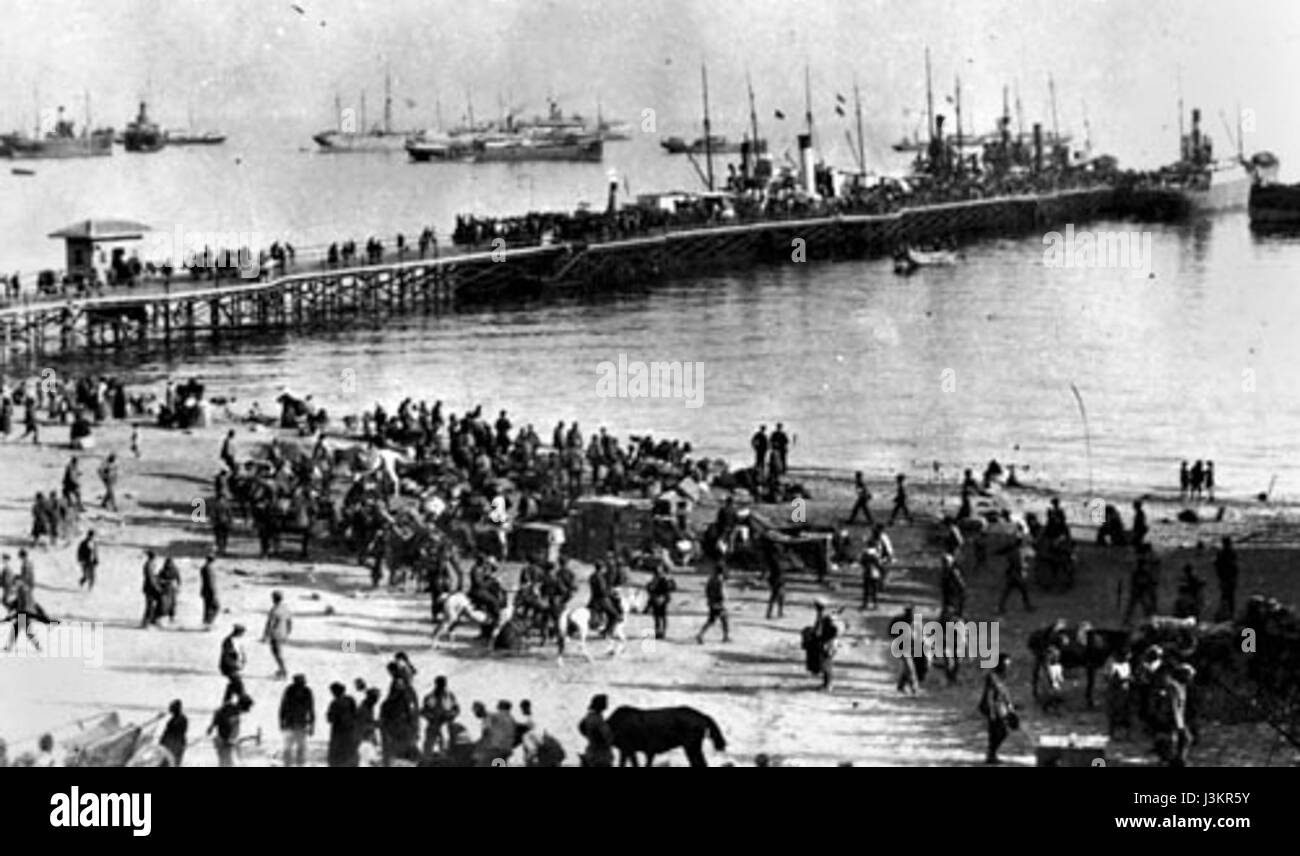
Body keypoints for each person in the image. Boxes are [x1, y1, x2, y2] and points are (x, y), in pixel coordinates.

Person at [979, 655, 1016, 764]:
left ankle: (992, 754)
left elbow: (1004, 692)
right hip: (992, 707)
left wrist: (1010, 705)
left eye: (1008, 664)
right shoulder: (992, 677)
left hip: (1000, 707)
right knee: (998, 731)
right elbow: (989, 695)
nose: (1008, 667)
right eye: (1006, 664)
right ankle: (991, 755)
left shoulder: (1001, 676)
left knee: (1001, 731)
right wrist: (992, 712)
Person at [805, 598, 843, 691]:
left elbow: (818, 631)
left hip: (827, 645)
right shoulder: (828, 616)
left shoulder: (822, 617)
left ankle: (828, 685)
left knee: (826, 665)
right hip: (832, 644)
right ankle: (827, 684)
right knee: (828, 664)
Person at [279, 674, 315, 767]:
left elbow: (311, 709)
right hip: (290, 723)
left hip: (301, 723)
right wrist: (281, 721)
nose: (300, 685)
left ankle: (300, 764)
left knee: (300, 747)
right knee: (288, 747)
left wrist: (312, 725)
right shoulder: (289, 691)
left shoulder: (307, 692)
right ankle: (287, 764)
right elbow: (283, 706)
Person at [208, 692, 252, 767]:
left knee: (226, 763)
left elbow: (218, 714)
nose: (248, 711)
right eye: (247, 708)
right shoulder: (231, 712)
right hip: (224, 741)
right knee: (226, 763)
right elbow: (219, 715)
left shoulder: (232, 710)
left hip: (226, 741)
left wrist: (212, 726)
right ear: (242, 706)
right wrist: (212, 726)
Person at [421, 676, 460, 757]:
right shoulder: (430, 697)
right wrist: (429, 716)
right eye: (439, 685)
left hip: (446, 724)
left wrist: (451, 715)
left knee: (445, 744)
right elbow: (423, 710)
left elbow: (456, 709)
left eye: (442, 685)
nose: (441, 687)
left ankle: (445, 759)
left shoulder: (449, 696)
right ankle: (427, 760)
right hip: (433, 724)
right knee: (429, 745)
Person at [996, 532, 1033, 614]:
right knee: (1021, 590)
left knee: (1008, 591)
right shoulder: (1015, 552)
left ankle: (1000, 607)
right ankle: (1027, 606)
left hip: (1012, 574)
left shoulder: (1012, 551)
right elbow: (1017, 564)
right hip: (1015, 574)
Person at [1124, 543, 1159, 624]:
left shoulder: (1146, 559)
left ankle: (1150, 618)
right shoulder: (1140, 559)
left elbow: (1153, 565)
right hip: (1140, 583)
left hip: (1144, 582)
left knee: (1145, 602)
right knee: (1138, 602)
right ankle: (1127, 620)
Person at [326, 681, 360, 767]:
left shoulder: (335, 703)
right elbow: (355, 715)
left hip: (339, 733)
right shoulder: (350, 700)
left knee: (337, 755)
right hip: (349, 731)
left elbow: (330, 718)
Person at [578, 694, 614, 767]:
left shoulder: (588, 717)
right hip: (600, 757)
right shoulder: (598, 720)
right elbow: (605, 736)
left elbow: (581, 728)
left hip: (591, 753)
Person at [695, 566, 730, 643]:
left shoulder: (711, 579)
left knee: (711, 620)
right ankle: (725, 637)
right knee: (724, 619)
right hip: (719, 603)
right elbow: (721, 592)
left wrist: (709, 599)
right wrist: (723, 600)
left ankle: (700, 634)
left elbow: (707, 590)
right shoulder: (720, 580)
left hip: (711, 602)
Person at [262, 590, 292, 679]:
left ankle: (283, 671)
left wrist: (265, 635)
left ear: (274, 599)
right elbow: (289, 621)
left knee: (276, 653)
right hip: (283, 633)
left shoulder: (274, 610)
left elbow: (270, 624)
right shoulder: (286, 608)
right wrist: (288, 632)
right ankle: (282, 669)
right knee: (279, 653)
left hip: (275, 634)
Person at [645, 564, 676, 639]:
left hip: (661, 599)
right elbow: (649, 589)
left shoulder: (663, 579)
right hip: (659, 598)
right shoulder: (657, 579)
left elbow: (672, 588)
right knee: (659, 616)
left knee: (660, 616)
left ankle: (661, 632)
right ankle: (660, 632)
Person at [219, 624, 247, 700]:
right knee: (238, 684)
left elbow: (241, 652)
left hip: (234, 666)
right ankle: (243, 699)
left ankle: (227, 701)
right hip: (228, 667)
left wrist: (243, 661)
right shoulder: (228, 641)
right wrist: (235, 664)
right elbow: (227, 656)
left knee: (234, 684)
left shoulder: (237, 640)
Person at [1214, 536, 1239, 620]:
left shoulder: (1222, 553)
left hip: (1225, 577)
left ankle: (1225, 613)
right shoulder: (1230, 553)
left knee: (1225, 596)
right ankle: (1229, 613)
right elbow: (1234, 566)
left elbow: (1217, 565)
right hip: (1228, 577)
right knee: (1229, 596)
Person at [160, 700, 188, 766]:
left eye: (172, 707)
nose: (170, 709)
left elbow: (176, 732)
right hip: (171, 745)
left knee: (172, 763)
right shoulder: (174, 718)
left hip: (175, 745)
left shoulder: (180, 719)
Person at [140, 550, 161, 628]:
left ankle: (151, 620)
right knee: (149, 605)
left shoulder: (150, 564)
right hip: (150, 588)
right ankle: (145, 623)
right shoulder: (149, 565)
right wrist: (156, 587)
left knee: (152, 605)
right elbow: (150, 578)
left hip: (150, 587)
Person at [157, 556, 181, 624]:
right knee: (164, 604)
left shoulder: (175, 570)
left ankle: (171, 618)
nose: (169, 565)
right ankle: (162, 618)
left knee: (172, 603)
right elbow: (159, 580)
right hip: (166, 589)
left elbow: (179, 580)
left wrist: (178, 587)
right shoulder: (163, 570)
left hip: (171, 589)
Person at [199, 554, 220, 629]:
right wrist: (213, 592)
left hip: (205, 590)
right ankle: (209, 623)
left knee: (207, 607)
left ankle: (206, 623)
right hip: (210, 591)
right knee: (215, 607)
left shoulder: (204, 567)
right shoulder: (209, 568)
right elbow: (210, 581)